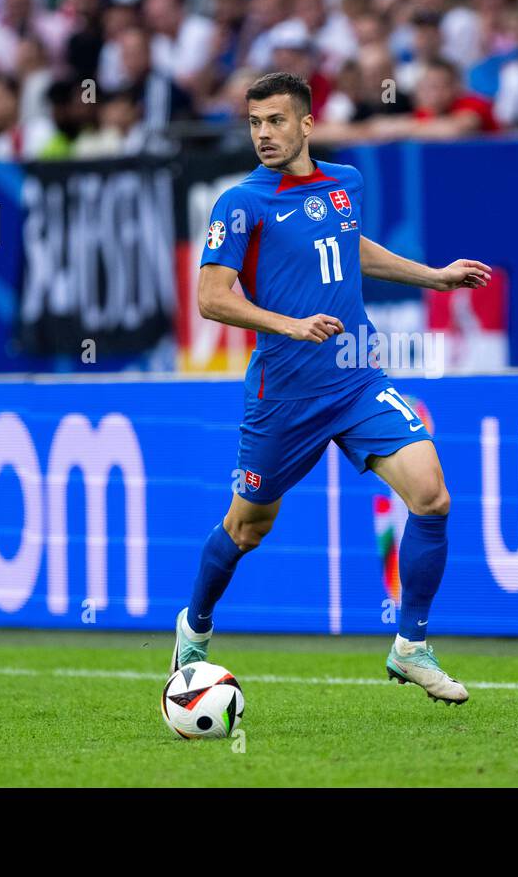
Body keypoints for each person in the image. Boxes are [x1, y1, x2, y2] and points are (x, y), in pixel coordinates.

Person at [174, 71, 491, 705]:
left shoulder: (345, 183)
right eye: (255, 123)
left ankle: (410, 648)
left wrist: (434, 277)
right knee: (247, 527)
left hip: (355, 376)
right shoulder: (240, 203)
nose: (264, 134)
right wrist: (289, 324)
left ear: (307, 124)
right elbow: (211, 298)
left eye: (276, 121)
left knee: (431, 495)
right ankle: (195, 626)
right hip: (283, 395)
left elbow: (350, 249)